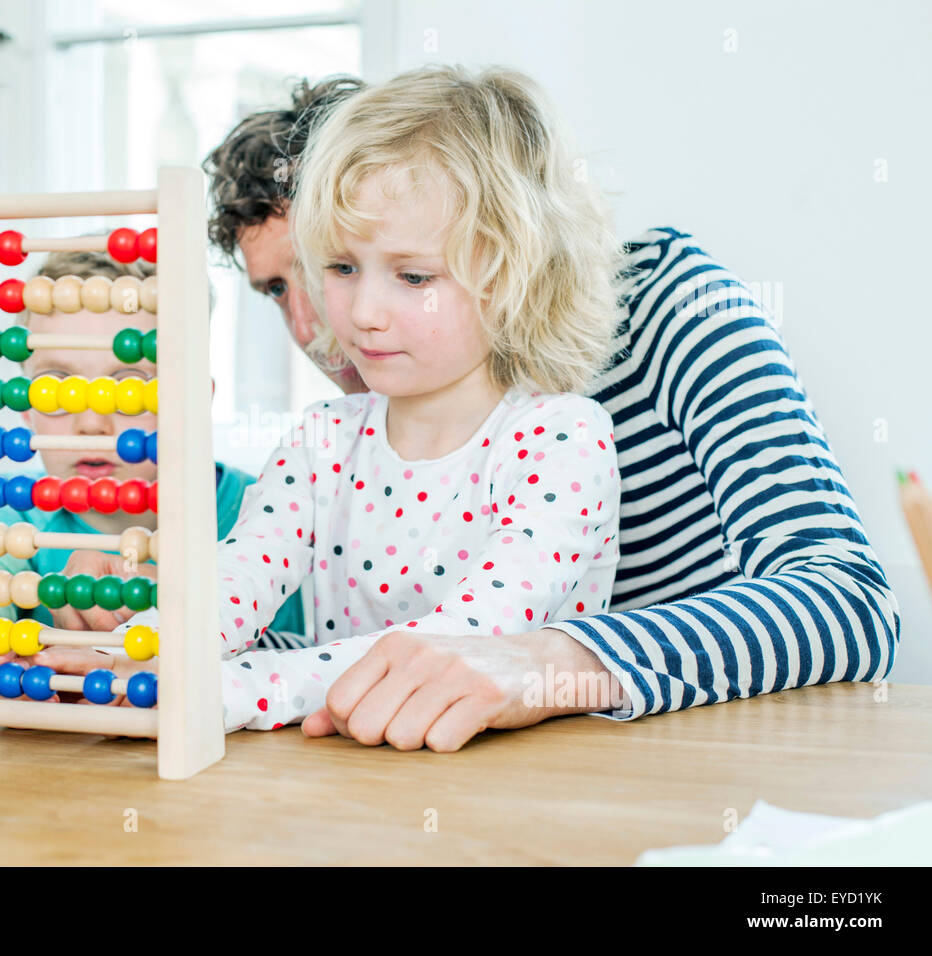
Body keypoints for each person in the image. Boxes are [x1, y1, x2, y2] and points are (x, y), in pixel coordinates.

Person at [185, 66, 900, 750]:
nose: (322, 327)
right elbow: (365, 663)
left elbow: (850, 605)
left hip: (703, 774)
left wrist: (552, 663)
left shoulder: (668, 311)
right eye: (303, 280)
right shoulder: (358, 421)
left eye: (410, 271)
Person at [37, 65, 626, 735]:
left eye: (412, 275)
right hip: (343, 780)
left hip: (517, 786)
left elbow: (458, 643)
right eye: (342, 268)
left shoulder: (563, 441)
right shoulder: (322, 439)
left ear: (515, 273)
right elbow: (237, 580)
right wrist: (139, 653)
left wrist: (217, 691)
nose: (361, 312)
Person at [0, 248, 305, 690]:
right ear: (27, 407)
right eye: (56, 388)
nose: (89, 423)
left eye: (127, 388)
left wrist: (174, 604)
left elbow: (303, 651)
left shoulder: (262, 515)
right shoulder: (16, 527)